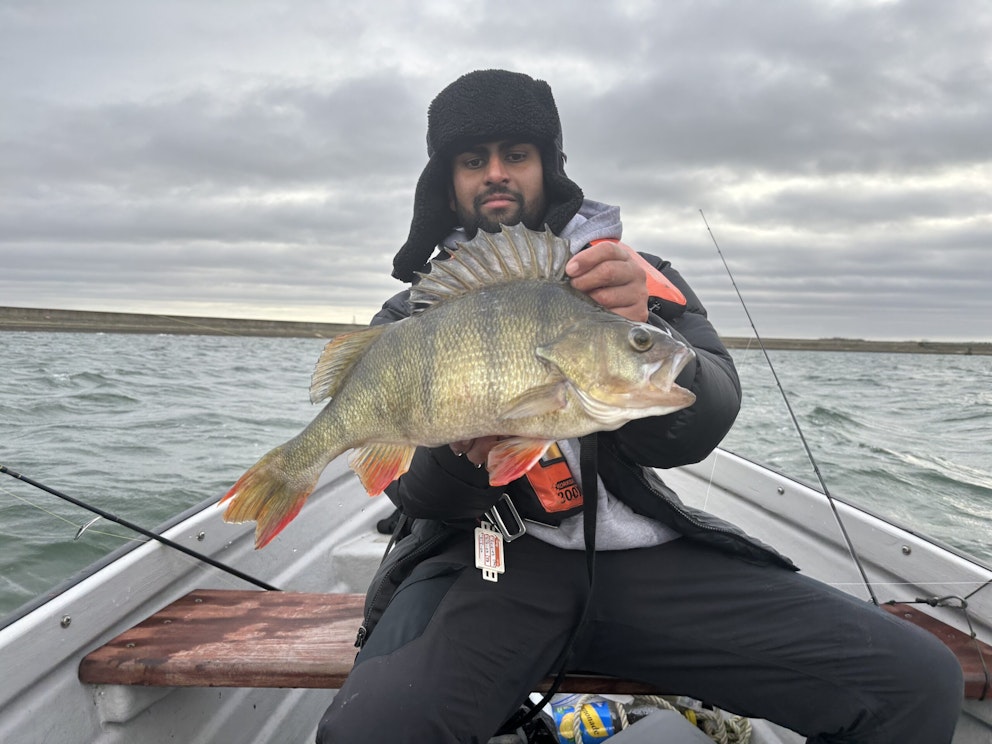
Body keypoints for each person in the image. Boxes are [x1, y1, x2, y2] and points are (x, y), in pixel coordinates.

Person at [315, 69, 963, 743]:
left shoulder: (630, 273)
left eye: (517, 154)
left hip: (644, 560)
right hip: (488, 567)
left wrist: (646, 314)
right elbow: (424, 497)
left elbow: (702, 410)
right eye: (473, 160)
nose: (496, 174)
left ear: (550, 166)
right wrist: (464, 454)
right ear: (446, 181)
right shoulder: (411, 316)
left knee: (915, 682)